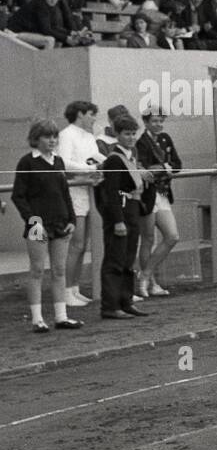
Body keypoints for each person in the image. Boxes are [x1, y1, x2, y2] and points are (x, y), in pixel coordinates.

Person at [12, 120, 82, 332]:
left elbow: (64, 193)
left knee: (59, 270)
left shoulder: (58, 162)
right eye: (47, 137)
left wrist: (72, 220)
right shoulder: (27, 162)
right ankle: (37, 319)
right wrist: (34, 221)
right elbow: (19, 196)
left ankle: (61, 316)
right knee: (37, 269)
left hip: (60, 222)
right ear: (36, 139)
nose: (52, 141)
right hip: (38, 224)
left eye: (54, 137)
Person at [94, 112, 153, 319]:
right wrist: (118, 220)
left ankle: (126, 300)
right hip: (119, 210)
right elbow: (110, 193)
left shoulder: (131, 157)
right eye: (127, 134)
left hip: (132, 209)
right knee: (115, 260)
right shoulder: (114, 159)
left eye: (133, 134)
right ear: (117, 134)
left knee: (128, 259)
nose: (131, 138)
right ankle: (110, 306)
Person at [56, 100, 103, 307]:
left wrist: (104, 164)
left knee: (83, 245)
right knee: (75, 244)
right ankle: (65, 290)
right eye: (91, 114)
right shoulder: (66, 135)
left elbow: (95, 157)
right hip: (73, 193)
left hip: (88, 191)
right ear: (81, 114)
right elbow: (64, 162)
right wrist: (88, 169)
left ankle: (74, 288)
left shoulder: (89, 136)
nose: (93, 118)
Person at [135, 111, 182, 297]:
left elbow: (178, 164)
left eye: (161, 121)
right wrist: (164, 168)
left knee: (172, 236)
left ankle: (145, 274)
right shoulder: (141, 142)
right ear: (146, 122)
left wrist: (164, 169)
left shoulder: (165, 138)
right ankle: (151, 283)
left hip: (162, 192)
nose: (159, 124)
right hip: (148, 193)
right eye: (155, 121)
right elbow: (145, 169)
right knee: (147, 238)